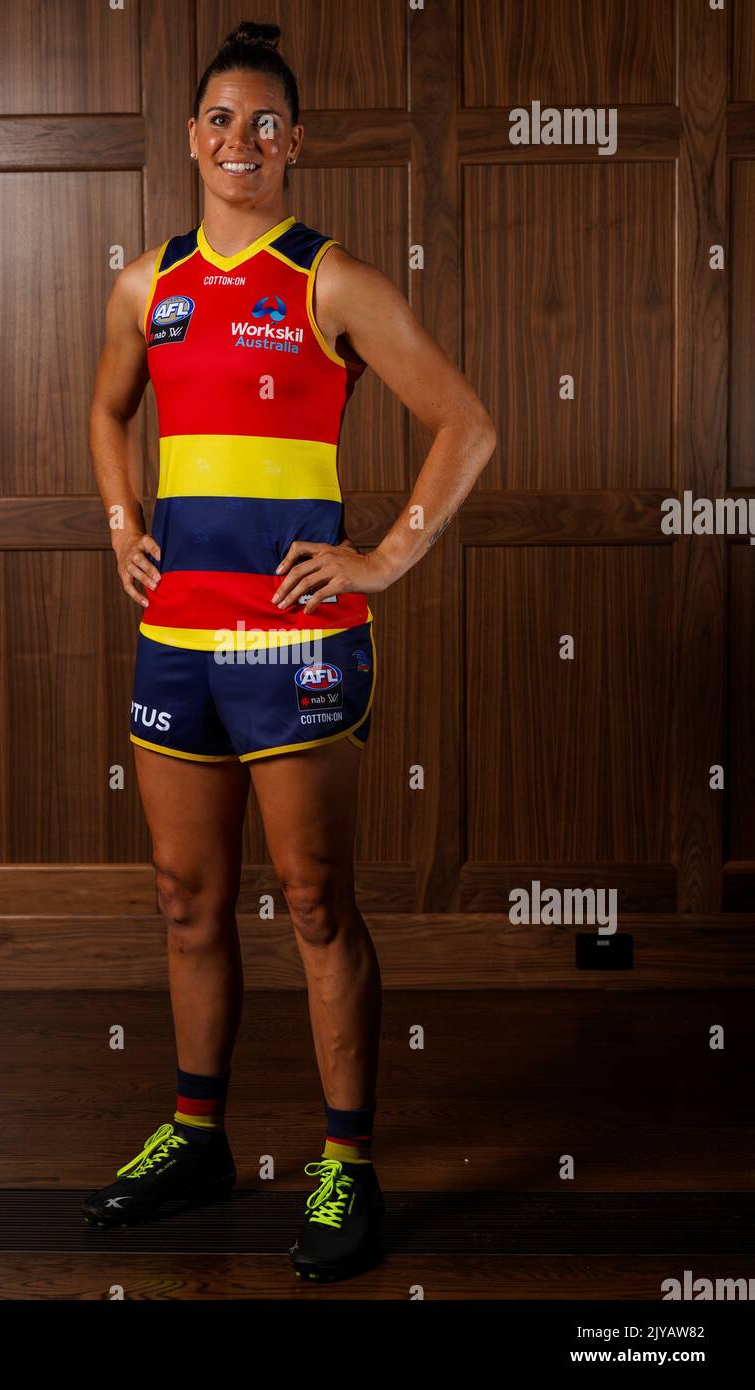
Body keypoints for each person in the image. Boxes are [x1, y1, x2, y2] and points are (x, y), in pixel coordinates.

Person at [85, 20, 496, 1283]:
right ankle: (199, 1137)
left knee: (315, 902)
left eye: (265, 123)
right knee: (185, 900)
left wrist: (379, 559)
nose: (240, 142)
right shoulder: (145, 284)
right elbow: (107, 410)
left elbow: (468, 426)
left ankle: (344, 1165)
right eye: (220, 120)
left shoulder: (330, 281)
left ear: (295, 143)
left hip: (298, 650)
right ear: (192, 136)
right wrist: (120, 523)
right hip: (178, 645)